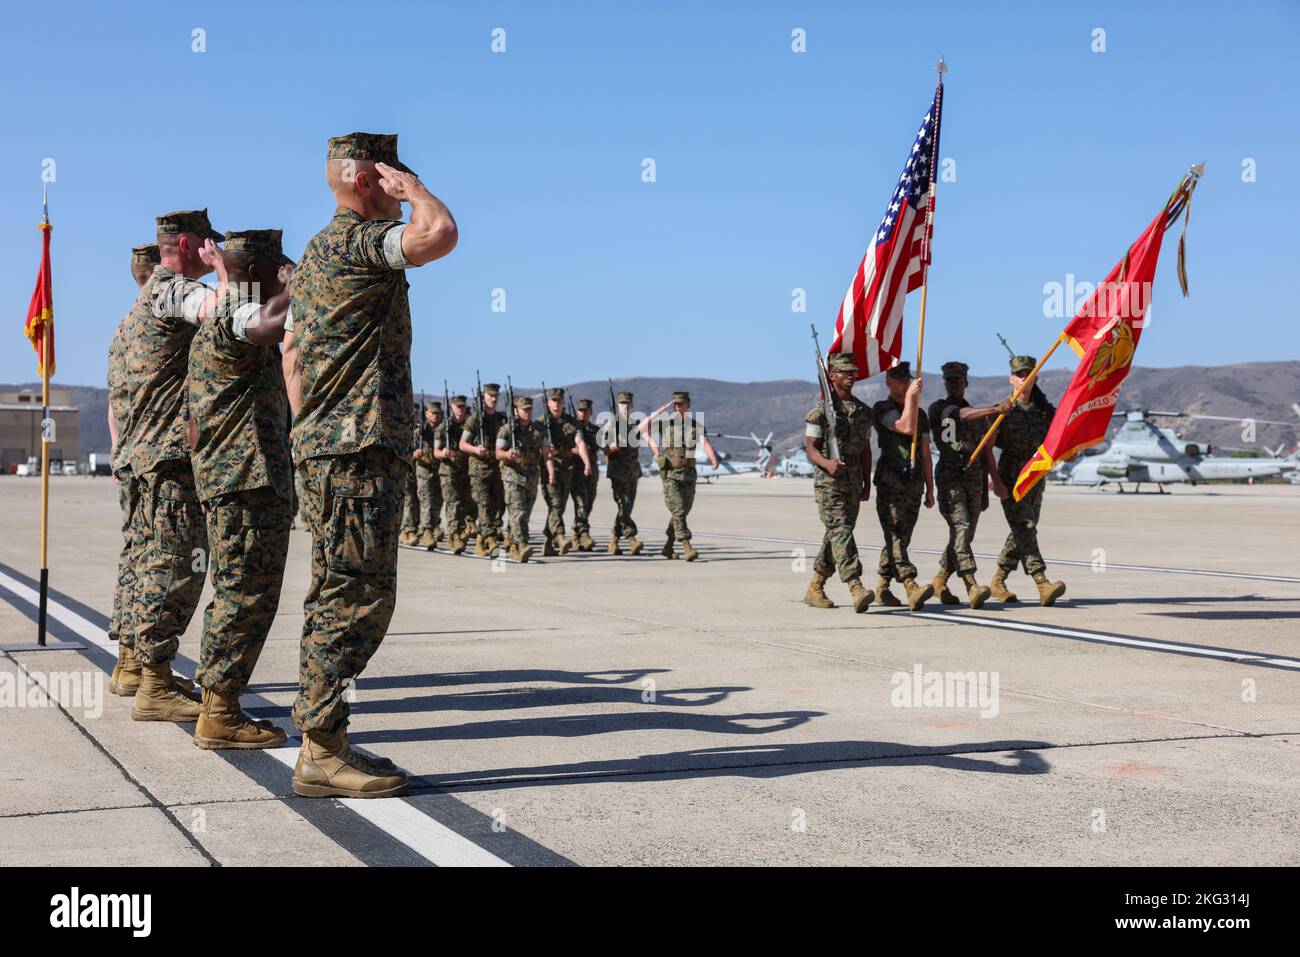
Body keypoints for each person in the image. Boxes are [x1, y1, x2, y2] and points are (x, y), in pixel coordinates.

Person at [287, 131, 457, 798]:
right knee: (357, 598)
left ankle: (321, 739)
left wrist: (307, 436)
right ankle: (323, 749)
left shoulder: (312, 256)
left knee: (334, 592)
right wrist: (414, 194)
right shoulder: (360, 243)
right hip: (357, 453)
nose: (401, 185)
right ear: (367, 180)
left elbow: (293, 356)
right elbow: (439, 233)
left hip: (331, 448)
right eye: (389, 176)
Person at [187, 229, 295, 749]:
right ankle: (221, 712)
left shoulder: (227, 308)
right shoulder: (234, 314)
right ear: (259, 271)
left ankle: (217, 701)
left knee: (238, 592)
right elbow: (272, 323)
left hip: (242, 481)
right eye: (279, 264)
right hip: (244, 481)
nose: (287, 268)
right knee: (245, 594)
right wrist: (300, 283)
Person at [123, 209, 225, 722]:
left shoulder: (148, 296)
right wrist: (231, 273)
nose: (216, 248)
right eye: (209, 242)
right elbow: (217, 309)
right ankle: (155, 684)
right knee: (176, 567)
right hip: (169, 457)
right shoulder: (172, 290)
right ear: (186, 243)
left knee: (158, 562)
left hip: (150, 456)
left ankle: (146, 672)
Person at [108, 243, 195, 697]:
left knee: (140, 556)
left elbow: (112, 407)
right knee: (171, 560)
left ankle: (130, 663)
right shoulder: (166, 310)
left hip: (132, 456)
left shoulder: (126, 328)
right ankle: (152, 675)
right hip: (164, 455)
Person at [927, 361, 1011, 609]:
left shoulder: (978, 414)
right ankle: (971, 584)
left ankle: (940, 579)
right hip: (950, 477)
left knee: (965, 533)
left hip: (974, 480)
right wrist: (995, 409)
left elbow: (986, 451)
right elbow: (959, 415)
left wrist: (990, 484)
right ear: (945, 383)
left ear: (966, 383)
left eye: (957, 380)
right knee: (961, 525)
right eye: (949, 380)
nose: (953, 384)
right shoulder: (939, 409)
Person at [991, 355, 1068, 606]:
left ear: (1035, 378)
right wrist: (993, 480)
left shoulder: (1044, 411)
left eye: (1028, 375)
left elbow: (1057, 436)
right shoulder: (1003, 410)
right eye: (1020, 375)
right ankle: (1041, 581)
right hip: (1011, 475)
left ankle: (998, 579)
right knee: (1025, 526)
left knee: (1025, 528)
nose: (1024, 379)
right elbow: (988, 447)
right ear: (1011, 378)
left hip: (1035, 474)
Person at [802, 353, 875, 612]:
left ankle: (816, 586)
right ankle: (855, 586)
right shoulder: (820, 413)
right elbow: (811, 448)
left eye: (853, 372)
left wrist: (867, 482)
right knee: (841, 532)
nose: (851, 376)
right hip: (829, 483)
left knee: (835, 536)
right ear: (831, 376)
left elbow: (866, 450)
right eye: (844, 372)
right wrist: (826, 463)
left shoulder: (863, 412)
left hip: (853, 482)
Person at [871, 362, 935, 611]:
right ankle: (911, 585)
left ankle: (883, 587)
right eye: (900, 380)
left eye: (907, 379)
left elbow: (925, 453)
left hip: (913, 483)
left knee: (901, 538)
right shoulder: (882, 408)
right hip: (891, 483)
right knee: (896, 534)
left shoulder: (922, 415)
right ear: (889, 383)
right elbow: (905, 427)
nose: (905, 383)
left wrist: (930, 488)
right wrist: (911, 398)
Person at [644, 391, 718, 561]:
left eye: (680, 404)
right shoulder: (665, 423)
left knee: (682, 512)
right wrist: (661, 409)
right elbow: (642, 428)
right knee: (678, 510)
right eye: (675, 404)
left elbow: (705, 443)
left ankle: (668, 547)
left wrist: (714, 459)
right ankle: (687, 545)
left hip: (689, 474)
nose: (677, 407)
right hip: (671, 474)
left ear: (688, 405)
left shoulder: (696, 425)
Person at [496, 394, 554, 562]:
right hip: (512, 476)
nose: (527, 413)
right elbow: (498, 452)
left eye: (529, 410)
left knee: (524, 514)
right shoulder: (507, 429)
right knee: (518, 512)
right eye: (524, 410)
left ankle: (514, 545)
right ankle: (522, 545)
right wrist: (507, 454)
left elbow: (546, 453)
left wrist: (551, 472)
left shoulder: (538, 430)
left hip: (531, 478)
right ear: (516, 411)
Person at [539, 387, 592, 556]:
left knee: (559, 507)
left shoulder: (571, 422)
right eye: (553, 401)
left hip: (566, 470)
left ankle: (547, 542)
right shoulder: (541, 423)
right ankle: (560, 537)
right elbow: (536, 447)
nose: (557, 404)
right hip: (549, 470)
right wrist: (546, 450)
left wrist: (586, 463)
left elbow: (580, 442)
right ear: (548, 403)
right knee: (555, 504)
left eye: (559, 401)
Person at [461, 383, 508, 556]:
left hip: (496, 470)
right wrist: (475, 450)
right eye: (490, 396)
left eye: (495, 396)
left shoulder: (501, 419)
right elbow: (462, 444)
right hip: (479, 471)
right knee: (484, 505)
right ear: (484, 397)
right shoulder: (474, 419)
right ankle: (490, 540)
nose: (493, 399)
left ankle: (481, 541)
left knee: (496, 507)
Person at [603, 390, 644, 555]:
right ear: (617, 405)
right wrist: (611, 447)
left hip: (632, 470)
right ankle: (631, 538)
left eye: (627, 403)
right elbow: (603, 447)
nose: (625, 406)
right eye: (622, 404)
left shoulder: (636, 424)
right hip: (617, 470)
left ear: (632, 405)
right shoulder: (610, 424)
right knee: (623, 504)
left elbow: (637, 444)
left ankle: (614, 540)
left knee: (627, 506)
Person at [438, 395, 474, 554]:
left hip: (466, 470)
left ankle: (459, 531)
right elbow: (435, 451)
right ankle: (453, 537)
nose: (460, 410)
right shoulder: (443, 427)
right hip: (449, 471)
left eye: (463, 407)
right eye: (457, 407)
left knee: (465, 504)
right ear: (451, 408)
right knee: (453, 503)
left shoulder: (469, 426)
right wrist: (442, 453)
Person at [570, 398, 601, 551]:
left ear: (591, 412)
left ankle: (576, 535)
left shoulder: (595, 430)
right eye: (581, 411)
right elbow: (564, 448)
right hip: (577, 471)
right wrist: (576, 451)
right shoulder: (571, 429)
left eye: (586, 411)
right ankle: (585, 534)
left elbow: (604, 447)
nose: (583, 414)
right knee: (581, 504)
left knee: (588, 504)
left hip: (593, 472)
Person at [413, 401, 444, 546]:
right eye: (433, 413)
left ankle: (434, 525)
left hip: (440, 469)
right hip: (423, 469)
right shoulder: (420, 431)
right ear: (426, 413)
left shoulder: (444, 430)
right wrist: (415, 454)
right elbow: (407, 451)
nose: (435, 416)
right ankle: (426, 531)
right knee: (426, 501)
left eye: (438, 413)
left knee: (438, 502)